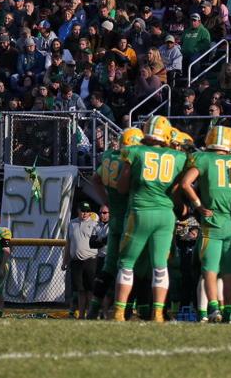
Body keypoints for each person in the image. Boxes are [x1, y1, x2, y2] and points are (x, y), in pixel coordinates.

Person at [112, 115, 187, 323]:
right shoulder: (178, 157)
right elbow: (177, 189)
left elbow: (122, 187)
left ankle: (119, 312)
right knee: (160, 266)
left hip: (141, 211)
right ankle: (158, 313)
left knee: (126, 263)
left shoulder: (134, 151)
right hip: (166, 214)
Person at [181, 125, 231, 323]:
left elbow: (186, 183)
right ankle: (228, 314)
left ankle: (213, 310)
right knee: (228, 272)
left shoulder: (203, 159)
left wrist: (198, 206)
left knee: (209, 270)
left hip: (211, 220)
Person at [88, 127, 141, 319]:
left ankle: (93, 308)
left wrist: (106, 201)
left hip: (115, 215)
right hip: (130, 217)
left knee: (109, 266)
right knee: (130, 265)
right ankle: (126, 309)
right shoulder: (131, 161)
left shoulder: (110, 156)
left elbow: (95, 179)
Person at [64, 201, 98, 318]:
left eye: (87, 211)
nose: (85, 213)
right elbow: (68, 244)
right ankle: (81, 315)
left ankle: (90, 313)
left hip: (90, 260)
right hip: (76, 261)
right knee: (80, 290)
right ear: (78, 210)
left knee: (90, 290)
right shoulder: (71, 224)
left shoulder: (95, 224)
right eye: (83, 210)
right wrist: (65, 261)